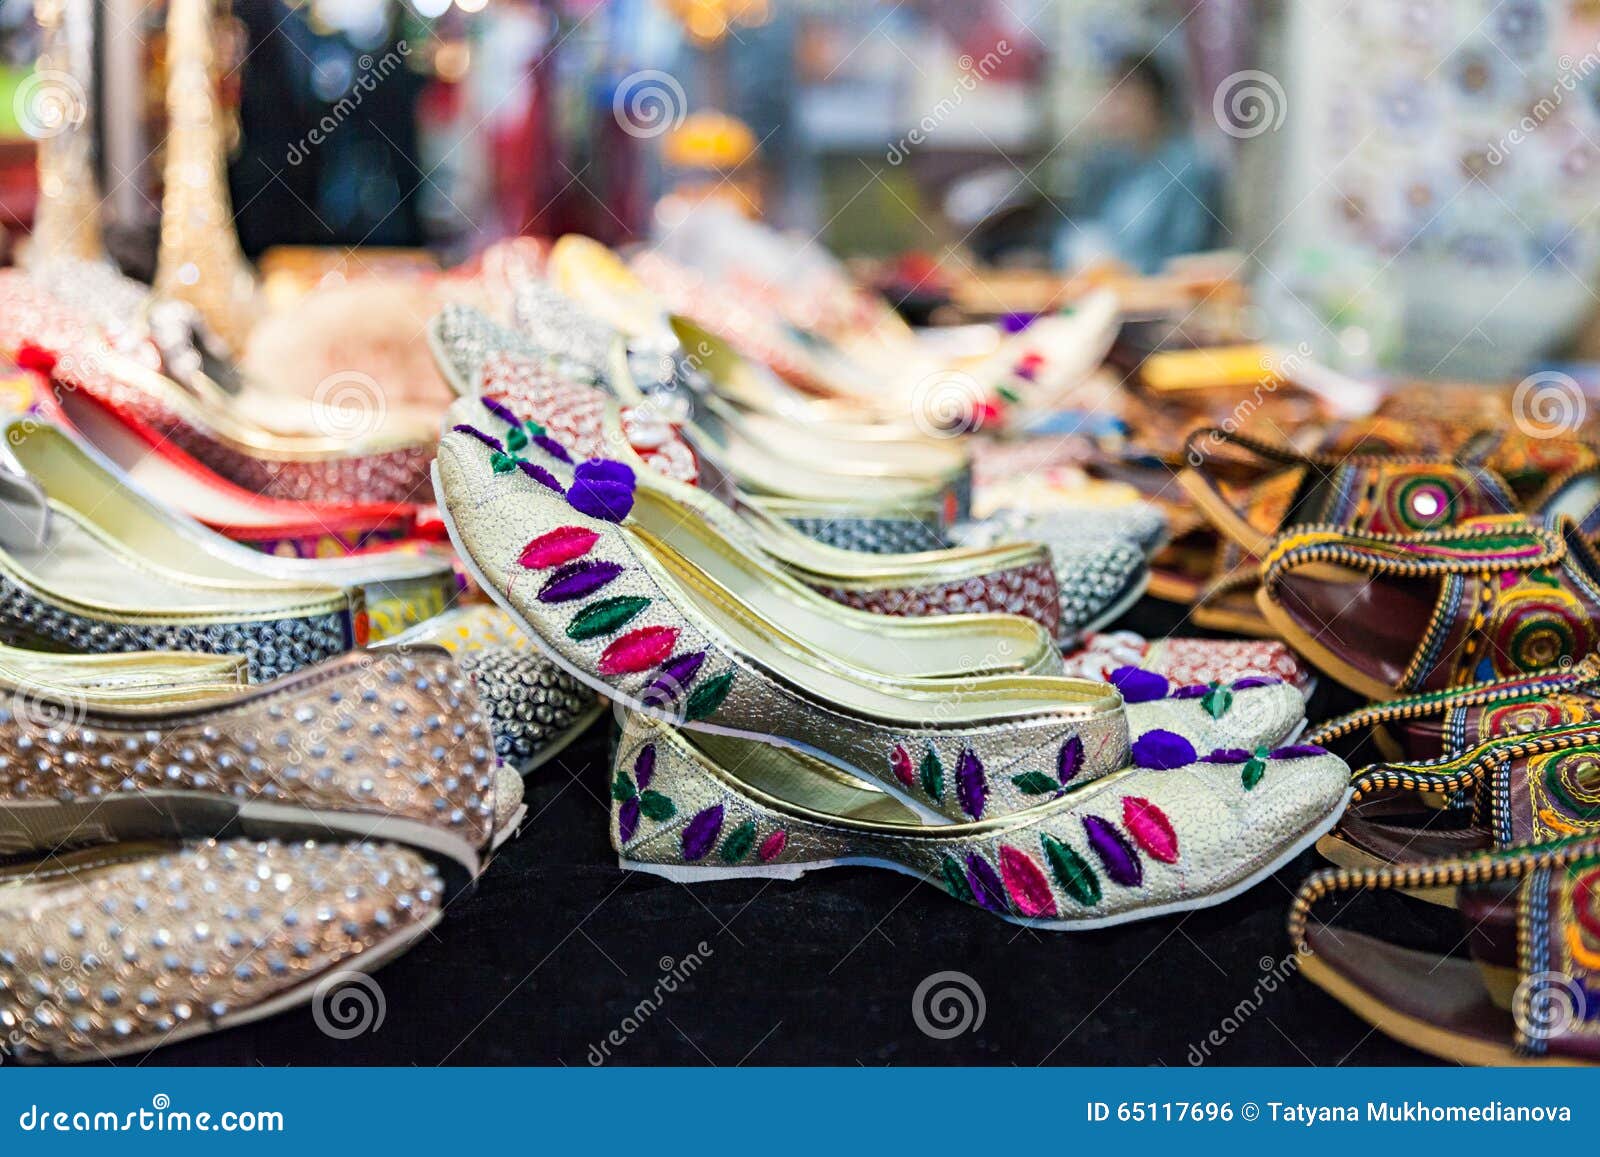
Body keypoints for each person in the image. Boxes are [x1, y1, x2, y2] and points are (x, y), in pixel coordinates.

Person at [1053, 54, 1223, 274]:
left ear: (1153, 101)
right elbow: (1077, 232)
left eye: (1122, 97)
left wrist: (1123, 270)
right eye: (1109, 95)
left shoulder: (1190, 170)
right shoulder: (1113, 165)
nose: (1111, 108)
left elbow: (1185, 255)